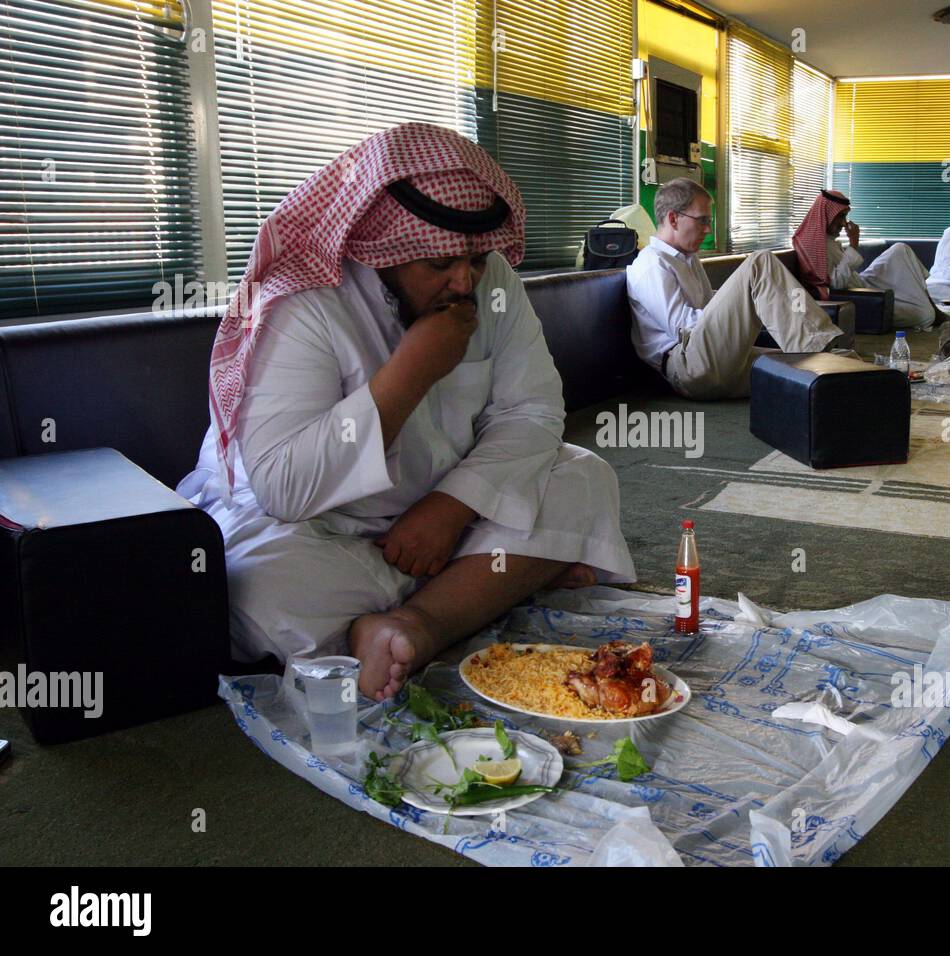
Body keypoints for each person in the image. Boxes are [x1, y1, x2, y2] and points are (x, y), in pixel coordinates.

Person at [177, 123, 635, 701]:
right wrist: (411, 373)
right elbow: (285, 490)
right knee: (253, 586)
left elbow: (534, 410)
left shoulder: (490, 284)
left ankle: (417, 624)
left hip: (451, 510)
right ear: (380, 248)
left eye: (476, 257)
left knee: (584, 478)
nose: (464, 281)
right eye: (440, 263)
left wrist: (449, 507)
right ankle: (488, 585)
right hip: (320, 528)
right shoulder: (303, 304)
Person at [625, 177, 854, 401]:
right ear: (674, 219)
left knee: (823, 364)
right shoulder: (652, 263)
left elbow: (708, 304)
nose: (708, 230)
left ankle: (850, 371)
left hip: (715, 360)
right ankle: (819, 346)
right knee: (760, 263)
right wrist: (744, 307)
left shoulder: (688, 258)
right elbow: (683, 328)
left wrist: (765, 303)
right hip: (688, 365)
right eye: (702, 221)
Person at [792, 188, 950, 329]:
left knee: (900, 250)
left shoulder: (828, 240)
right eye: (839, 217)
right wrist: (853, 245)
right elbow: (835, 285)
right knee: (925, 315)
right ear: (826, 215)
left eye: (845, 216)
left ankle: (934, 307)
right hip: (858, 297)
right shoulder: (813, 243)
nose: (843, 223)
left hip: (862, 284)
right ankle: (933, 312)